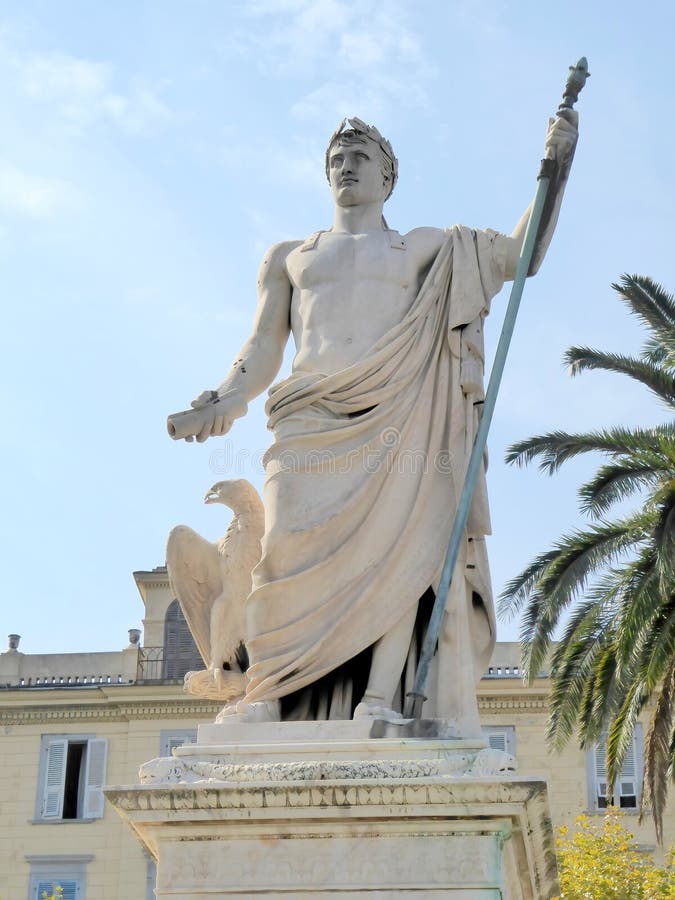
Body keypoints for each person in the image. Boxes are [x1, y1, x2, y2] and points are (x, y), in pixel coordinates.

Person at [168, 113, 578, 726]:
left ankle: (379, 701)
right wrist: (226, 400)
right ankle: (271, 693)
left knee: (401, 552)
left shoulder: (427, 247)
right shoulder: (289, 256)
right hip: (308, 418)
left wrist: (557, 164)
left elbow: (521, 257)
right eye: (337, 156)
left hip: (401, 413)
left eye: (360, 155)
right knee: (280, 556)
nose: (346, 165)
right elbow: (261, 347)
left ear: (388, 175)